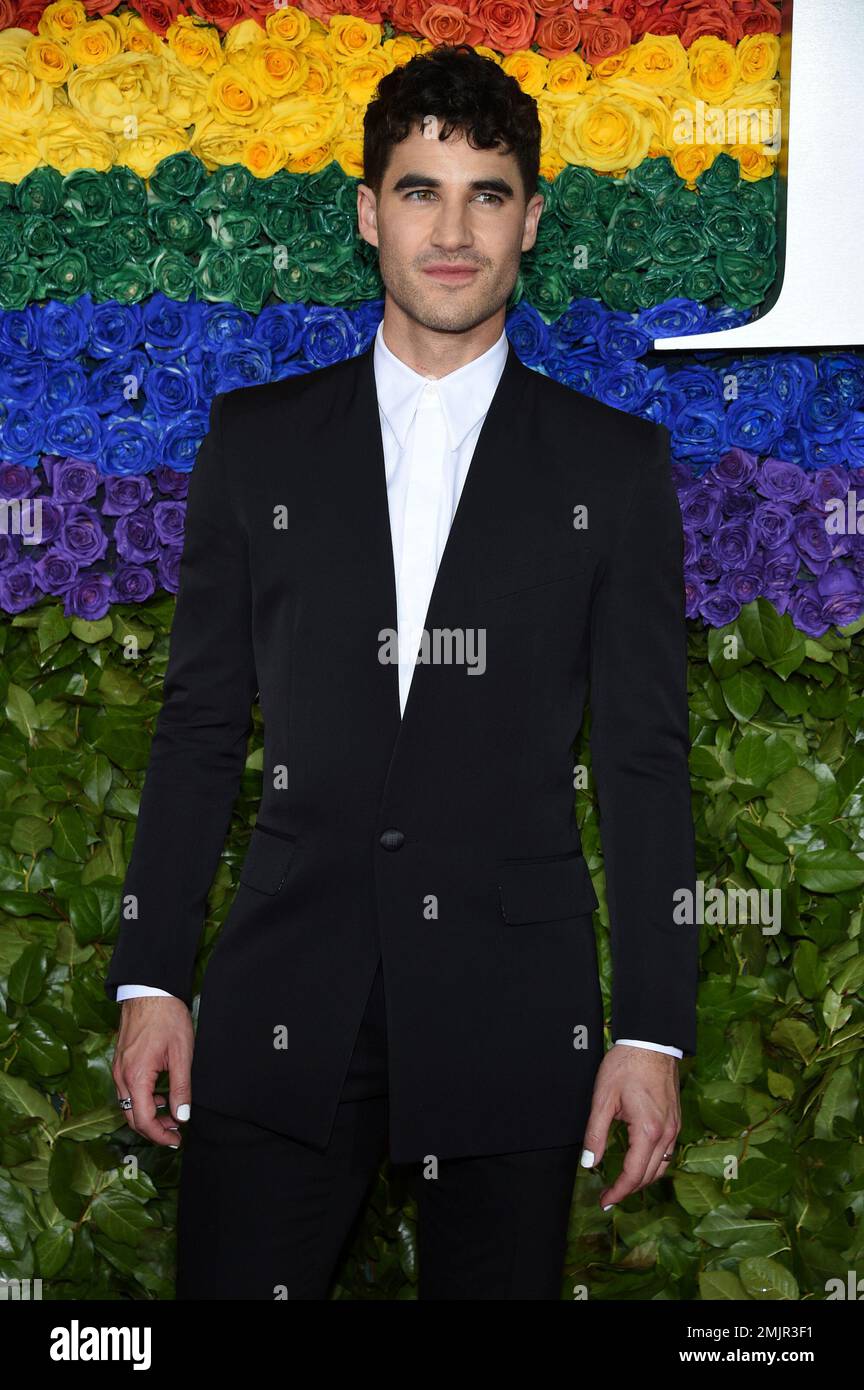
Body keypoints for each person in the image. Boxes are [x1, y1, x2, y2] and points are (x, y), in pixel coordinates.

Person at [106, 44, 699, 1301]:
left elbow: (646, 760)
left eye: (487, 194)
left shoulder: (614, 468)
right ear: (371, 212)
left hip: (514, 1009)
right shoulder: (254, 445)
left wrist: (650, 1027)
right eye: (421, 190)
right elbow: (200, 724)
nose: (452, 229)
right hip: (285, 992)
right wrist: (151, 975)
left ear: (529, 221)